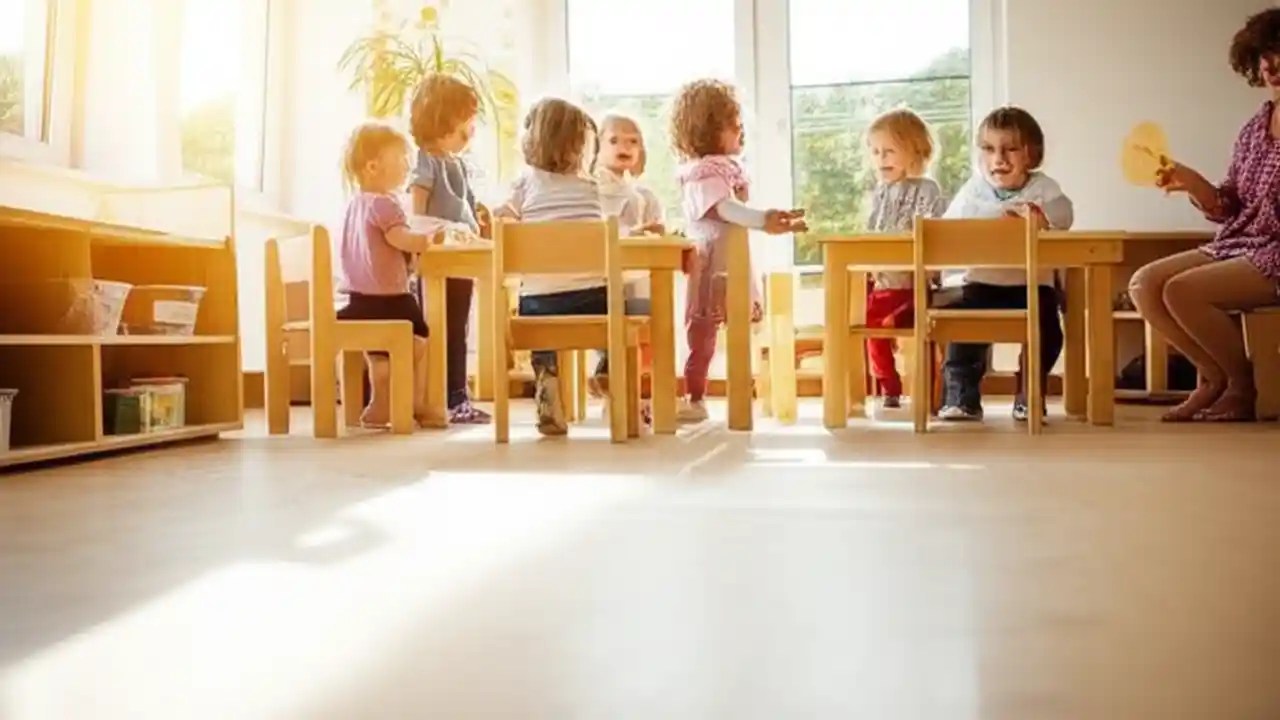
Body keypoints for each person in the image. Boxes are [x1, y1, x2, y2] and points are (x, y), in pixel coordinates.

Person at [1127, 7, 1280, 422]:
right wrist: (1192, 182)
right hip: (1240, 244)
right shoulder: (1255, 127)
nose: (1271, 64)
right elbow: (1229, 206)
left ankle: (1243, 386)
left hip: (1275, 254)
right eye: (1264, 53)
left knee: (1182, 290)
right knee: (1144, 283)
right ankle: (1213, 378)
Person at [668, 79, 807, 422]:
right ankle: (695, 396)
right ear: (708, 130)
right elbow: (724, 208)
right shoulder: (702, 174)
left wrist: (766, 220)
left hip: (732, 263)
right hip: (712, 265)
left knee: (735, 331)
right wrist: (763, 220)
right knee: (702, 336)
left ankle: (739, 394)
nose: (741, 131)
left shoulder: (725, 169)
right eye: (734, 125)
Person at [939, 106, 1073, 422]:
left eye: (1010, 149)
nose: (999, 159)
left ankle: (1029, 393)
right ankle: (961, 397)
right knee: (961, 333)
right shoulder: (973, 191)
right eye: (988, 149)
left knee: (1048, 333)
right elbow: (945, 229)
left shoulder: (1043, 188)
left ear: (1032, 155)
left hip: (1031, 286)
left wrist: (1042, 219)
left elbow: (1065, 218)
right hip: (981, 284)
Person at [494, 98, 605, 436]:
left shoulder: (524, 185)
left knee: (535, 305)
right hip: (593, 303)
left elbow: (502, 219)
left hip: (539, 305)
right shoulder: (591, 188)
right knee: (621, 306)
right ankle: (608, 365)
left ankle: (547, 379)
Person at [335, 122, 438, 428]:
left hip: (356, 303)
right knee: (419, 339)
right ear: (372, 166)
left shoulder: (354, 205)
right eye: (401, 159)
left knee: (380, 352)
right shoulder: (385, 203)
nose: (407, 166)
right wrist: (426, 240)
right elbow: (399, 238)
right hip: (390, 300)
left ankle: (380, 401)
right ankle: (407, 403)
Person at [408, 74, 492, 424]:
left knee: (457, 328)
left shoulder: (457, 163)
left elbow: (464, 206)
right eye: (465, 121)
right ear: (444, 123)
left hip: (461, 258)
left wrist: (481, 213)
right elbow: (417, 208)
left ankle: (454, 395)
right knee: (441, 328)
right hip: (438, 260)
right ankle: (445, 397)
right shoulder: (427, 160)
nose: (470, 130)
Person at [863, 108, 947, 411]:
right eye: (875, 152)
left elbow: (934, 231)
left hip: (914, 287)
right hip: (881, 283)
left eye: (889, 151)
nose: (880, 158)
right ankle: (889, 386)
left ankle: (926, 389)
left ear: (915, 152)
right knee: (872, 330)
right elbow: (871, 230)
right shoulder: (880, 192)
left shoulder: (927, 189)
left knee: (911, 332)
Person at [591, 112, 665, 422]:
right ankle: (612, 380)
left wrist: (655, 230)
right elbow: (594, 233)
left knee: (650, 311)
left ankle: (639, 390)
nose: (625, 146)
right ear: (596, 148)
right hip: (602, 275)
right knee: (613, 308)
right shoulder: (591, 190)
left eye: (633, 141)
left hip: (637, 274)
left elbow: (658, 230)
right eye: (614, 140)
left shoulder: (643, 195)